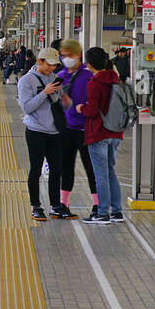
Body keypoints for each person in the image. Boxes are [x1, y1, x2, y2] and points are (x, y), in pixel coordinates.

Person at [17, 46, 70, 221]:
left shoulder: (54, 78)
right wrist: (44, 93)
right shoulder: (26, 81)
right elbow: (27, 107)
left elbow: (56, 103)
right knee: (36, 169)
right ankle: (36, 206)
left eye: (55, 65)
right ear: (39, 61)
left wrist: (58, 95)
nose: (52, 69)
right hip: (35, 131)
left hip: (54, 132)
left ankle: (55, 205)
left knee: (56, 170)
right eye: (49, 65)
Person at [76, 46, 124, 224]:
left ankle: (102, 213)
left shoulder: (94, 83)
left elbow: (92, 111)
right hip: (115, 132)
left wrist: (81, 108)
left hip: (98, 132)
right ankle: (117, 212)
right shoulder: (115, 79)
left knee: (101, 174)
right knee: (111, 171)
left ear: (88, 64)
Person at [54, 39, 100, 221]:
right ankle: (63, 204)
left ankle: (97, 205)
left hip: (86, 129)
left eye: (69, 55)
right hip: (65, 130)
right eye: (63, 56)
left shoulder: (88, 76)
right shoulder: (59, 76)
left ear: (78, 55)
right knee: (66, 168)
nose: (66, 59)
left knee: (91, 168)